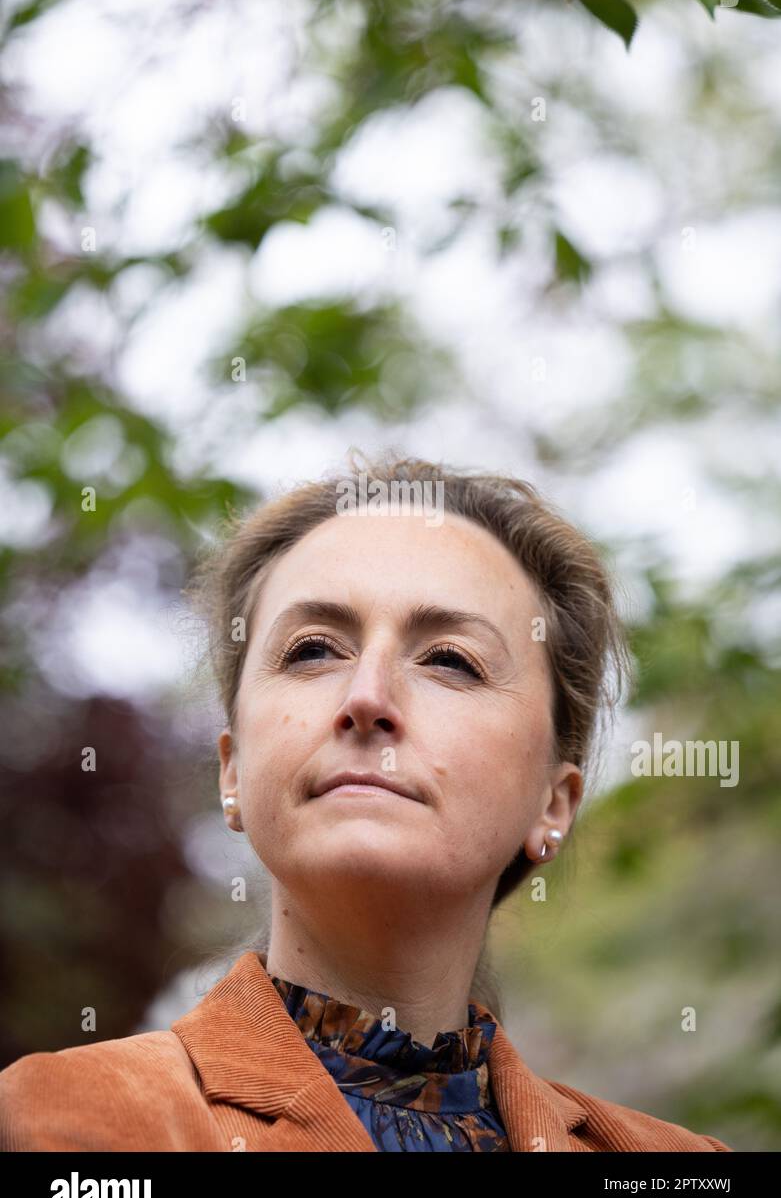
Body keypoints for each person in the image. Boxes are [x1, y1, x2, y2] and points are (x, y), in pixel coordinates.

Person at [0, 454, 732, 1152]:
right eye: (313, 649)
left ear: (554, 803)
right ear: (233, 771)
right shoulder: (51, 1120)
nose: (366, 698)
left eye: (451, 659)